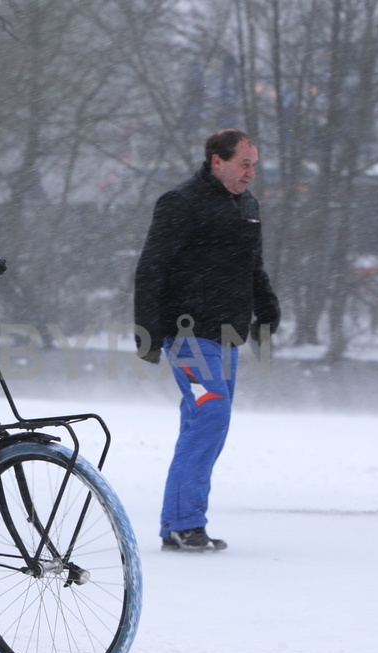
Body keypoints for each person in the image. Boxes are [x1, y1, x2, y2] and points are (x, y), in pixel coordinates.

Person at [133, 128, 280, 553]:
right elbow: (151, 268)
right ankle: (185, 522)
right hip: (187, 333)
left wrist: (267, 311)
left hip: (226, 336)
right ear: (217, 161)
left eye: (254, 165)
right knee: (210, 417)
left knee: (203, 425)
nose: (251, 173)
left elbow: (254, 267)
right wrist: (147, 331)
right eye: (244, 164)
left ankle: (175, 524)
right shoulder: (181, 203)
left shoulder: (247, 206)